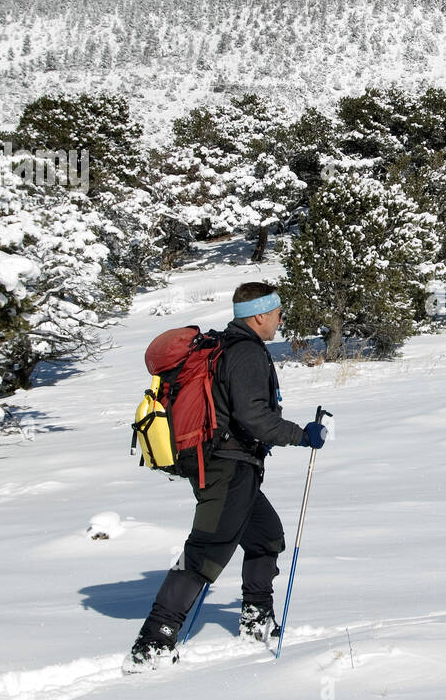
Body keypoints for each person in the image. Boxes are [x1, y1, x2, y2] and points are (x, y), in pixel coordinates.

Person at [123, 282, 328, 672]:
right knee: (206, 551)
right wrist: (301, 435)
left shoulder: (228, 347)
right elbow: (254, 417)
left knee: (266, 536)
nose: (281, 319)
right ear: (259, 315)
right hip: (226, 466)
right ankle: (153, 642)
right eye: (278, 312)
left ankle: (256, 620)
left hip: (232, 466)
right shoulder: (246, 352)